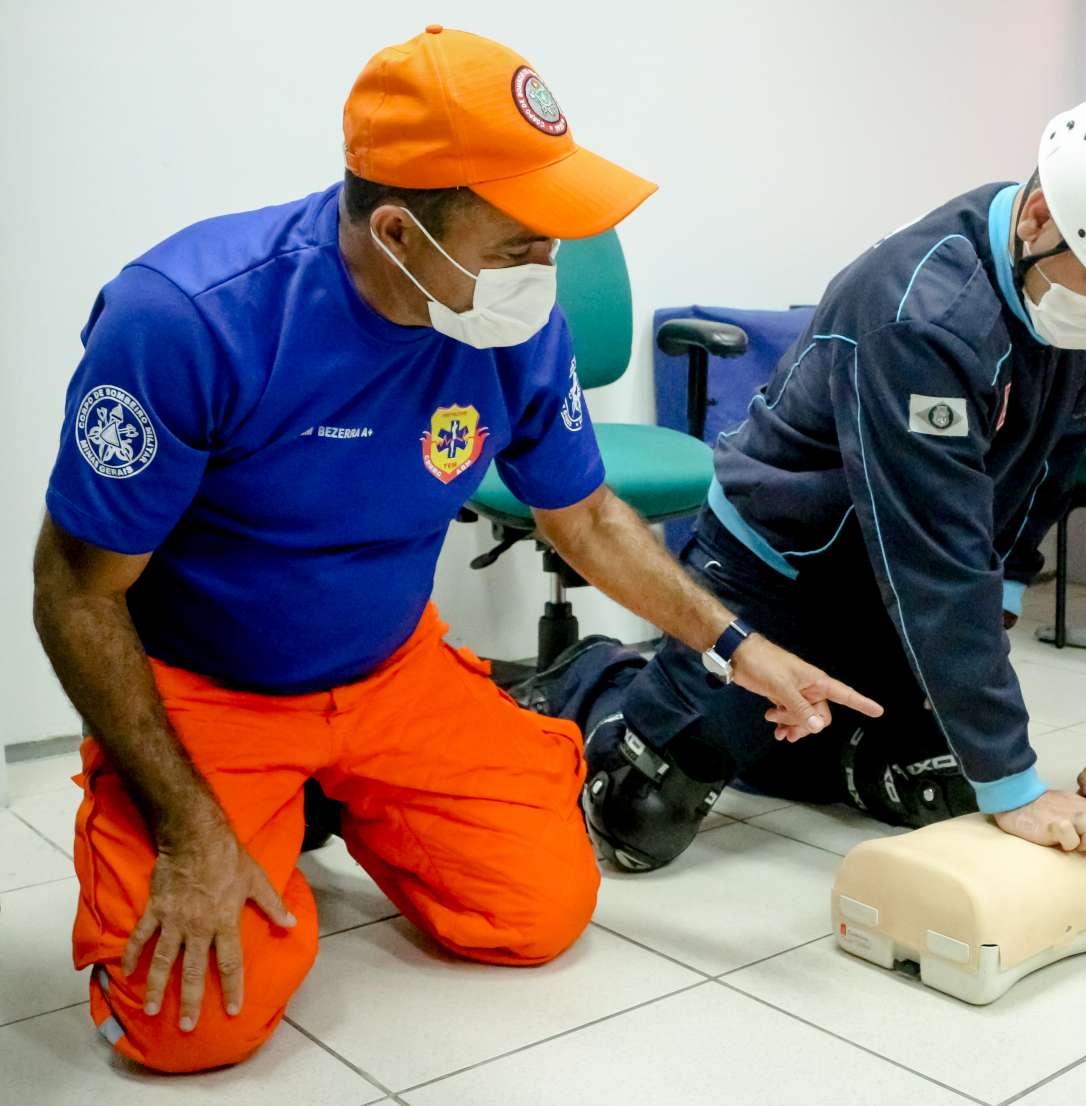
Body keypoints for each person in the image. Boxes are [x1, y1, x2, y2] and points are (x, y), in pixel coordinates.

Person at [32, 26, 878, 1074]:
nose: (548, 269)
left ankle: (337, 787)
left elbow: (587, 514)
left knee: (540, 909)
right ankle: (251, 802)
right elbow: (72, 593)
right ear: (396, 229)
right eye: (522, 243)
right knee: (187, 1027)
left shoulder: (510, 321)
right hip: (209, 687)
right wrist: (190, 830)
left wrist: (734, 642)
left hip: (389, 665)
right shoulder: (190, 321)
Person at [538, 86, 1086, 872]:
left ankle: (776, 739)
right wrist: (1015, 783)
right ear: (1038, 215)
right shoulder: (925, 315)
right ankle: (600, 676)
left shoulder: (1060, 278)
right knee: (642, 822)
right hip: (781, 565)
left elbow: (1053, 445)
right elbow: (935, 559)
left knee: (932, 785)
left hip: (881, 569)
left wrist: (1008, 584)